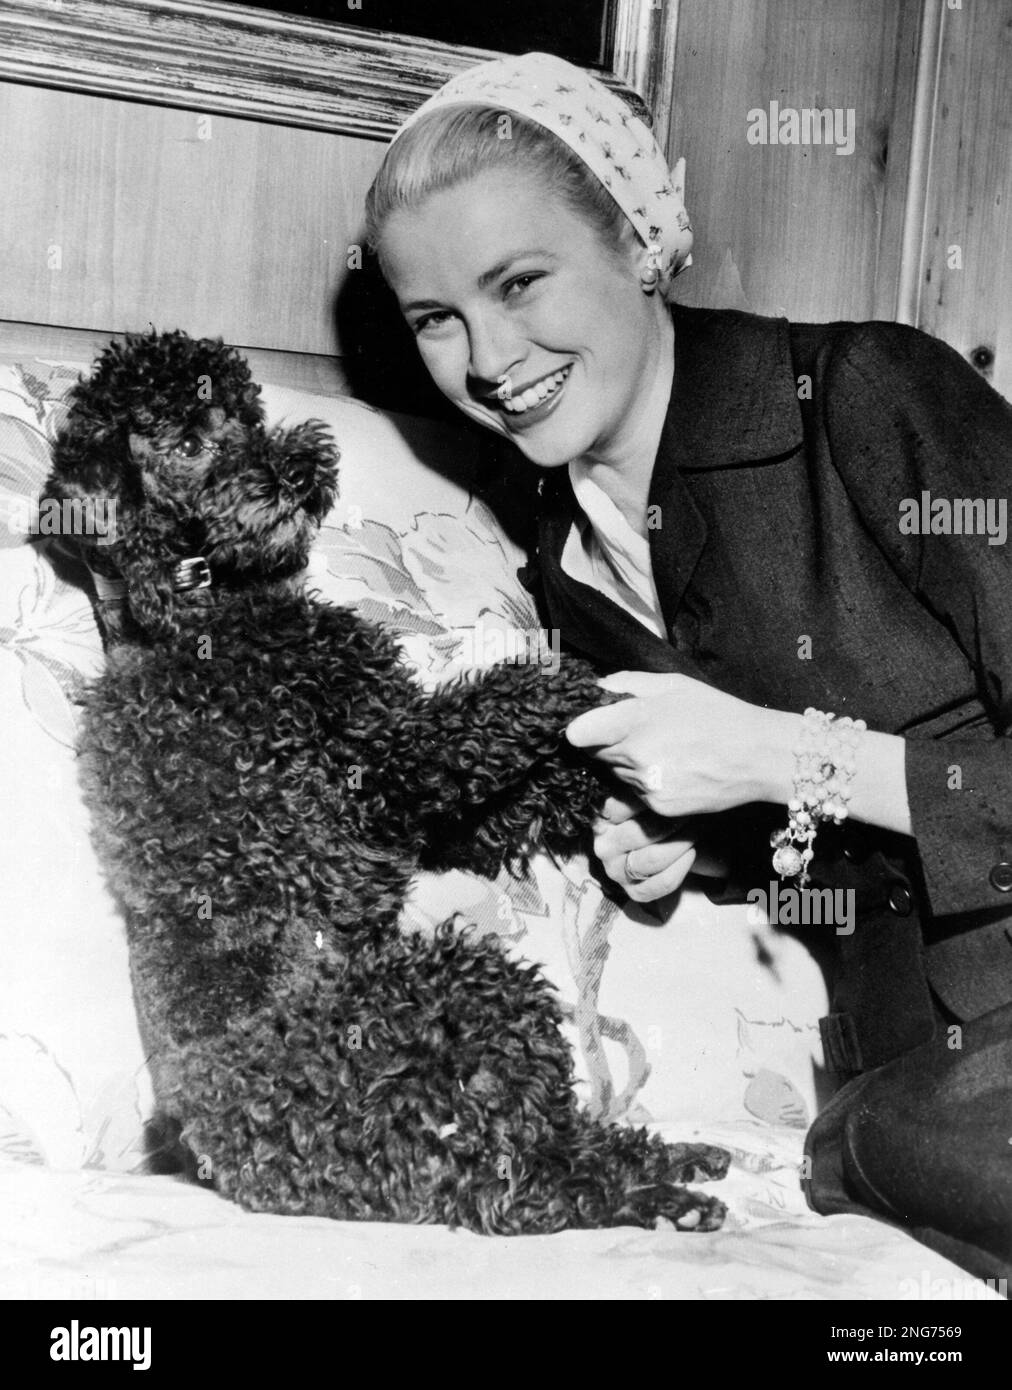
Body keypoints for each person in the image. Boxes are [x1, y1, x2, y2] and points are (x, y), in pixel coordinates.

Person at [363, 51, 1012, 1282]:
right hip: (911, 1090)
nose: (489, 357)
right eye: (436, 318)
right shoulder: (562, 558)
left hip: (959, 1093)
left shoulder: (867, 395)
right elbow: (830, 842)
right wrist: (694, 843)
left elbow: (826, 753)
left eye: (520, 282)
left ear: (639, 243)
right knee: (875, 1138)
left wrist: (781, 754)